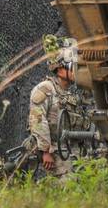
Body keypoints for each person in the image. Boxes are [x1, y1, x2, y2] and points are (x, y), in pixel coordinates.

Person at [28, 35, 80, 177]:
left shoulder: (71, 94)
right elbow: (38, 120)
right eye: (72, 65)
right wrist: (46, 151)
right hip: (54, 153)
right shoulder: (45, 89)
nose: (76, 70)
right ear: (60, 68)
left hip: (71, 151)